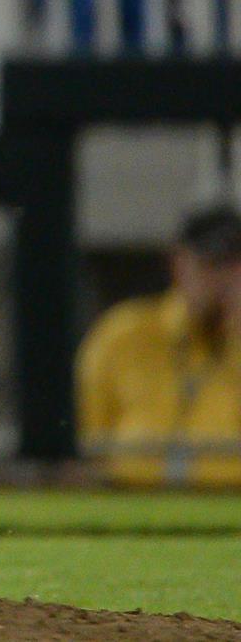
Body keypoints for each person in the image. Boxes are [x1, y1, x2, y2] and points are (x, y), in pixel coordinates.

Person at [78, 206, 241, 487]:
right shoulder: (125, 333)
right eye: (211, 265)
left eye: (236, 268)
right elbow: (85, 439)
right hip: (130, 495)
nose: (224, 280)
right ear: (179, 264)